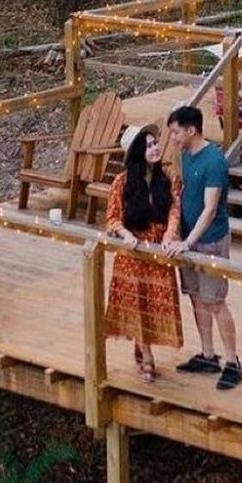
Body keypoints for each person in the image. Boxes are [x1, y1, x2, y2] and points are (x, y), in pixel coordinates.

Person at [163, 103, 242, 390]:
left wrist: (188, 241)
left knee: (215, 301)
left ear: (191, 130)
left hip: (209, 240)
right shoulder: (185, 156)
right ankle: (208, 355)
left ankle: (233, 362)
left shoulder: (214, 162)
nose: (172, 137)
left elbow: (210, 209)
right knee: (196, 297)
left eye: (175, 132)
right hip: (187, 240)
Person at [104, 123, 182, 383]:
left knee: (153, 305)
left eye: (155, 144)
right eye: (148, 145)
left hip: (158, 251)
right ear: (138, 151)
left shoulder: (165, 179)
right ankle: (147, 358)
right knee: (137, 304)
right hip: (133, 253)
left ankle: (141, 346)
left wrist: (170, 235)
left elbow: (174, 211)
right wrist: (126, 235)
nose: (155, 148)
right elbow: (112, 218)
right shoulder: (122, 182)